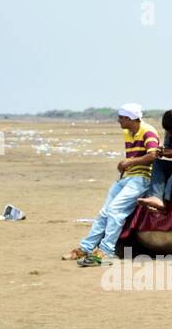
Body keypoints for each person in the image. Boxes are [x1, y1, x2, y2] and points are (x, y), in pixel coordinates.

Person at [68, 103, 159, 266]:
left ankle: (107, 251)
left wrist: (129, 161)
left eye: (121, 118)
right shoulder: (128, 131)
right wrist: (126, 164)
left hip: (142, 178)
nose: (118, 121)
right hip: (128, 177)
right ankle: (86, 247)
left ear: (130, 119)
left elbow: (153, 155)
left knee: (116, 210)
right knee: (104, 212)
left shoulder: (148, 132)